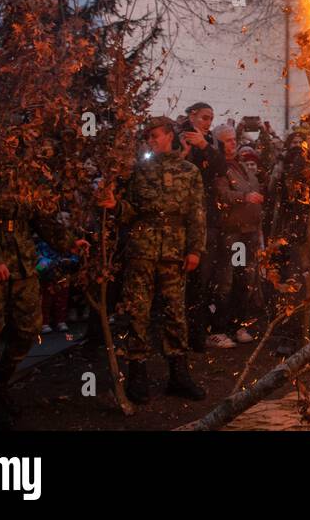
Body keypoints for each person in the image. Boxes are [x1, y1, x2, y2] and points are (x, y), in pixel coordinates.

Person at [0, 190, 88, 428]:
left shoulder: (25, 173)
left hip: (23, 267)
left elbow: (41, 218)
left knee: (28, 330)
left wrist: (68, 243)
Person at [103, 116, 206, 404]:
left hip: (174, 251)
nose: (151, 141)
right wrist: (115, 206)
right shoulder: (138, 171)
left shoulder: (189, 171)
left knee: (174, 313)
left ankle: (179, 375)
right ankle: (137, 375)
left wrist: (196, 249)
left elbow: (197, 214)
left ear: (170, 135)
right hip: (141, 250)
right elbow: (130, 211)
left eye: (155, 136)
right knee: (137, 312)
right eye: (147, 137)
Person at [207, 128, 266, 348]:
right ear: (219, 144)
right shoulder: (220, 168)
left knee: (244, 279)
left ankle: (237, 324)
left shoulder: (241, 165)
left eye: (234, 140)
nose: (233, 144)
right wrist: (244, 197)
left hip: (247, 232)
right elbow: (221, 196)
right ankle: (218, 329)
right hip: (232, 233)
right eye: (228, 141)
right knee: (226, 281)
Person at [177, 102, 225, 351]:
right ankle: (180, 336)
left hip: (206, 215)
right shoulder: (176, 136)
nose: (208, 122)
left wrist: (205, 146)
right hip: (182, 215)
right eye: (204, 117)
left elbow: (221, 169)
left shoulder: (211, 143)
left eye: (211, 118)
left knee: (204, 279)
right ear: (192, 115)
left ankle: (197, 335)